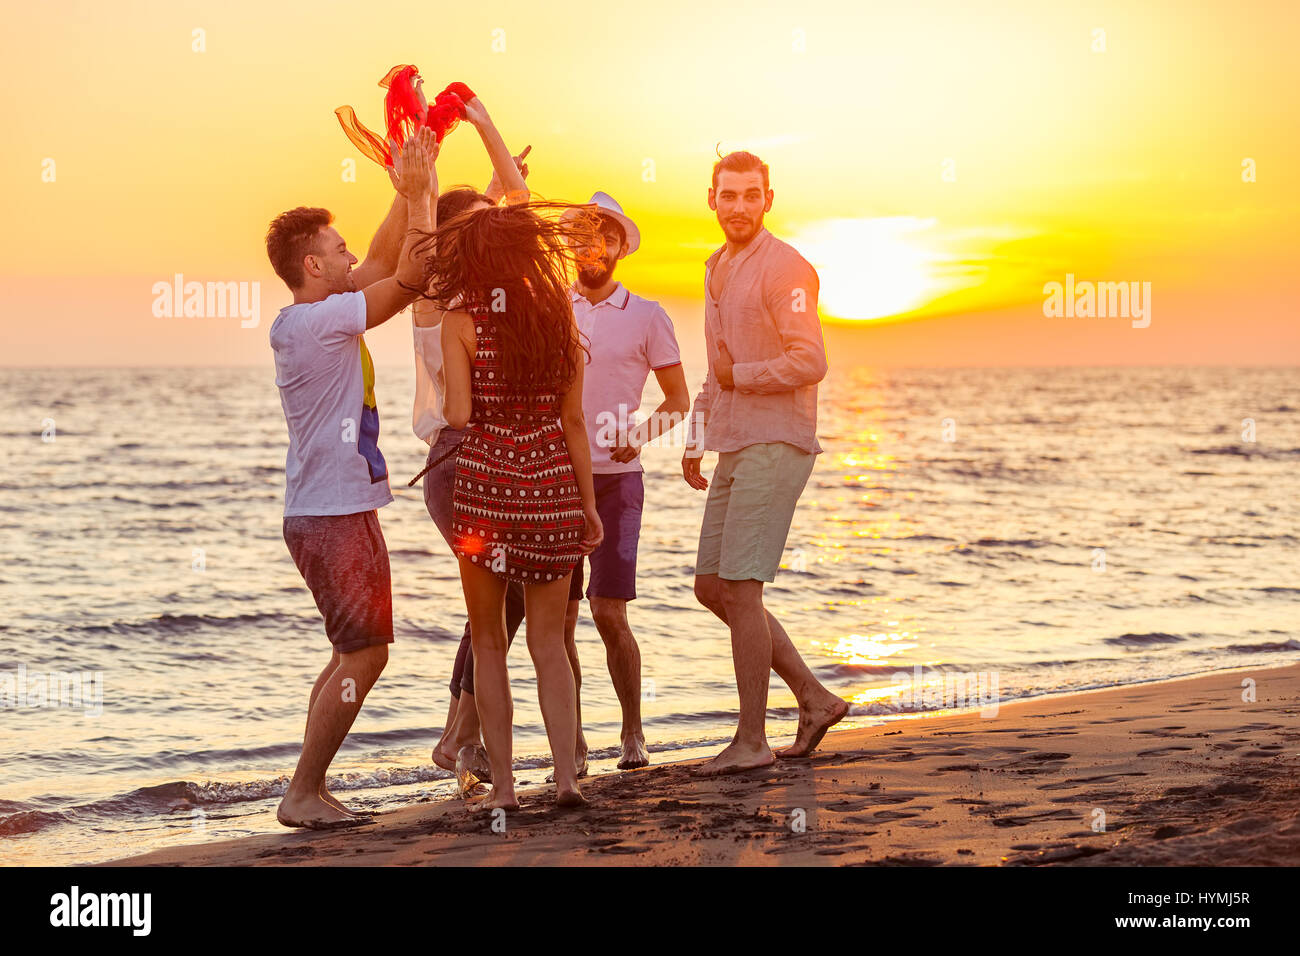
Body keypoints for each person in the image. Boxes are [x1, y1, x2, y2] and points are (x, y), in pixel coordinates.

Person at [265, 131, 438, 827]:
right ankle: (302, 792)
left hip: (328, 510)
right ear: (311, 264)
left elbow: (379, 258)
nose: (348, 258)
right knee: (367, 654)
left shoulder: (317, 315)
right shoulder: (319, 323)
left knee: (349, 651)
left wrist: (402, 193)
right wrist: (424, 192)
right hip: (332, 515)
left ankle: (308, 787)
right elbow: (414, 274)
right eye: (334, 251)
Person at [425, 200, 605, 809]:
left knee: (489, 643)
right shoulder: (558, 320)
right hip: (552, 491)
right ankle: (565, 779)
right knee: (551, 645)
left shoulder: (460, 320)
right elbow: (574, 421)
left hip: (485, 494)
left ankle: (502, 789)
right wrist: (587, 506)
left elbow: (457, 416)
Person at [683, 150, 848, 776]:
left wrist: (742, 376)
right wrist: (697, 432)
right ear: (712, 199)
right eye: (729, 195)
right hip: (733, 439)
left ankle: (750, 741)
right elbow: (716, 365)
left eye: (751, 195)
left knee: (742, 590)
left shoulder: (787, 269)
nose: (739, 207)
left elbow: (811, 359)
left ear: (768, 200)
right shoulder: (715, 266)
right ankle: (813, 698)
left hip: (777, 441)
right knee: (710, 587)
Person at [407, 95, 531, 785]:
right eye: (479, 226)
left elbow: (516, 201)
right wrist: (427, 180)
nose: (495, 232)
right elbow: (433, 232)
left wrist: (486, 125)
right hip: (456, 463)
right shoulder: (434, 288)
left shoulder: (486, 285)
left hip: (499, 455)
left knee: (507, 596)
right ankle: (461, 736)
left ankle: (460, 735)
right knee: (497, 597)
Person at [559, 192, 691, 773]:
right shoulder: (551, 306)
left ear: (617, 246)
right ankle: (576, 743)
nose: (590, 245)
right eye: (579, 236)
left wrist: (641, 433)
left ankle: (633, 734)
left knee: (609, 613)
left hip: (617, 482)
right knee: (558, 621)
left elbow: (679, 400)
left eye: (600, 236)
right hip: (555, 479)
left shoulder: (648, 315)